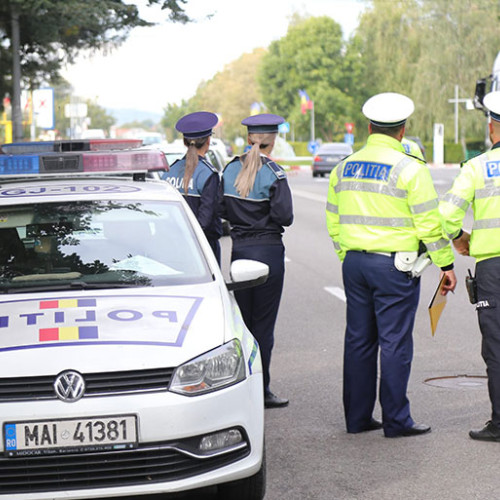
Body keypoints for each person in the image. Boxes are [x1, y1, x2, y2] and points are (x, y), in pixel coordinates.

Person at [326, 92, 456, 437]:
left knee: (358, 341)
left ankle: (357, 418)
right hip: (394, 269)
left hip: (354, 265)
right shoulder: (410, 169)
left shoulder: (343, 167)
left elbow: (333, 221)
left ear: (370, 128)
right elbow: (429, 225)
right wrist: (445, 265)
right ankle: (397, 421)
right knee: (395, 343)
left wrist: (348, 256)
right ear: (403, 131)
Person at [220, 113, 294, 408]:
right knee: (263, 327)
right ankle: (261, 391)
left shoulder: (229, 170)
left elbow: (221, 209)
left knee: (244, 326)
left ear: (249, 138)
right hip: (268, 251)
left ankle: (239, 388)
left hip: (239, 252)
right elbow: (284, 216)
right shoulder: (274, 173)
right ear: (272, 141)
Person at [440, 90, 500, 442]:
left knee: (497, 346)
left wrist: (460, 237)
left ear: (493, 127)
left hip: (493, 268)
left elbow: (447, 213)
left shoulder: (477, 167)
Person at [162, 111, 222, 263]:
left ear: (184, 142)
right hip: (203, 248)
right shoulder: (208, 174)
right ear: (208, 140)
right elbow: (206, 221)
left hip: (172, 245)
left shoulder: (170, 171)